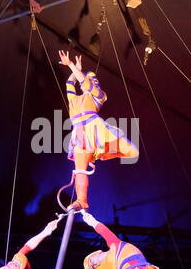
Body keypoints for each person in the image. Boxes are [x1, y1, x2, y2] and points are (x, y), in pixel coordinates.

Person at [59, 49, 138, 209]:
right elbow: (69, 83)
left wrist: (73, 66)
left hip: (97, 130)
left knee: (133, 152)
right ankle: (81, 200)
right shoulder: (74, 99)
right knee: (80, 169)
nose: (90, 81)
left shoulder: (98, 94)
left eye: (92, 79)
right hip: (80, 135)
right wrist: (75, 71)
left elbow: (84, 83)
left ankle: (105, 152)